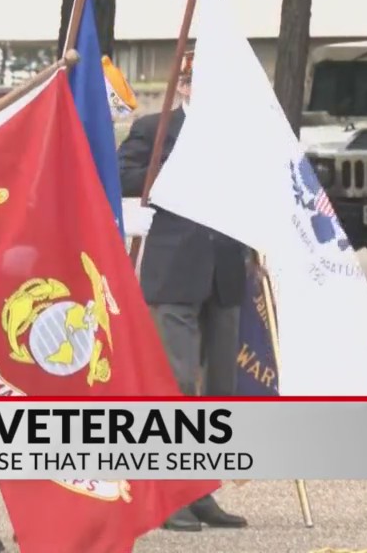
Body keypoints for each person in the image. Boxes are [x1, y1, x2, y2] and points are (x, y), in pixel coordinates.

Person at [116, 50, 249, 532]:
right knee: (173, 386)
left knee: (219, 391)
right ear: (186, 86)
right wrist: (174, 172)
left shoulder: (238, 132)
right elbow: (122, 174)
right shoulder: (156, 129)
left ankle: (202, 491)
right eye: (200, 82)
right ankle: (167, 494)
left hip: (225, 269)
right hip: (175, 273)